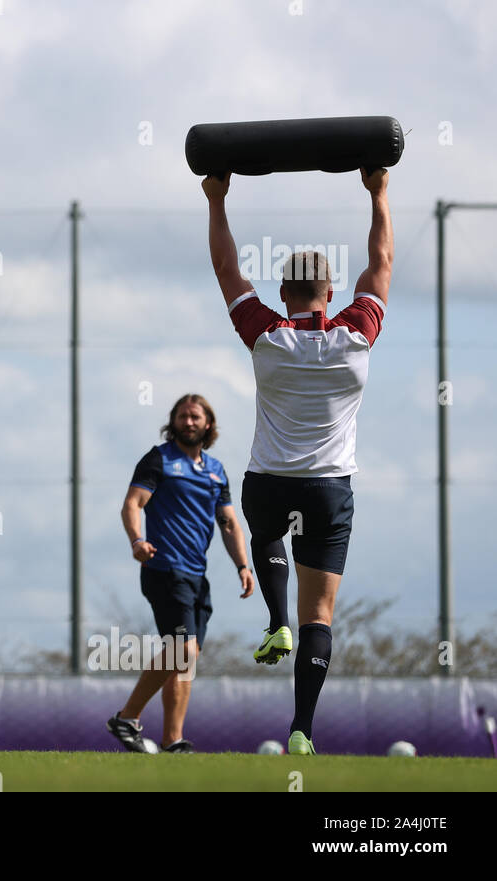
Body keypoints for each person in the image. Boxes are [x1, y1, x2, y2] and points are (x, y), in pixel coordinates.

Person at [203, 168, 391, 755]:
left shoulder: (268, 337)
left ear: (283, 293)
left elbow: (227, 270)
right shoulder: (356, 338)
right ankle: (303, 730)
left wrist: (217, 198)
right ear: (332, 293)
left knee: (266, 536)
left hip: (270, 483)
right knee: (323, 613)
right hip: (329, 490)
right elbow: (381, 263)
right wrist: (378, 192)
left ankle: (274, 619)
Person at [111, 394, 254, 753]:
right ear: (172, 421)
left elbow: (228, 523)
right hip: (163, 568)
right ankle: (127, 717)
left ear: (208, 424)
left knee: (185, 661)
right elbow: (132, 504)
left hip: (196, 575)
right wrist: (137, 541)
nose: (188, 422)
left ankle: (172, 740)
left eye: (195, 417)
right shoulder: (158, 459)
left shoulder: (216, 471)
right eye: (182, 416)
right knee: (182, 650)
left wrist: (243, 565)